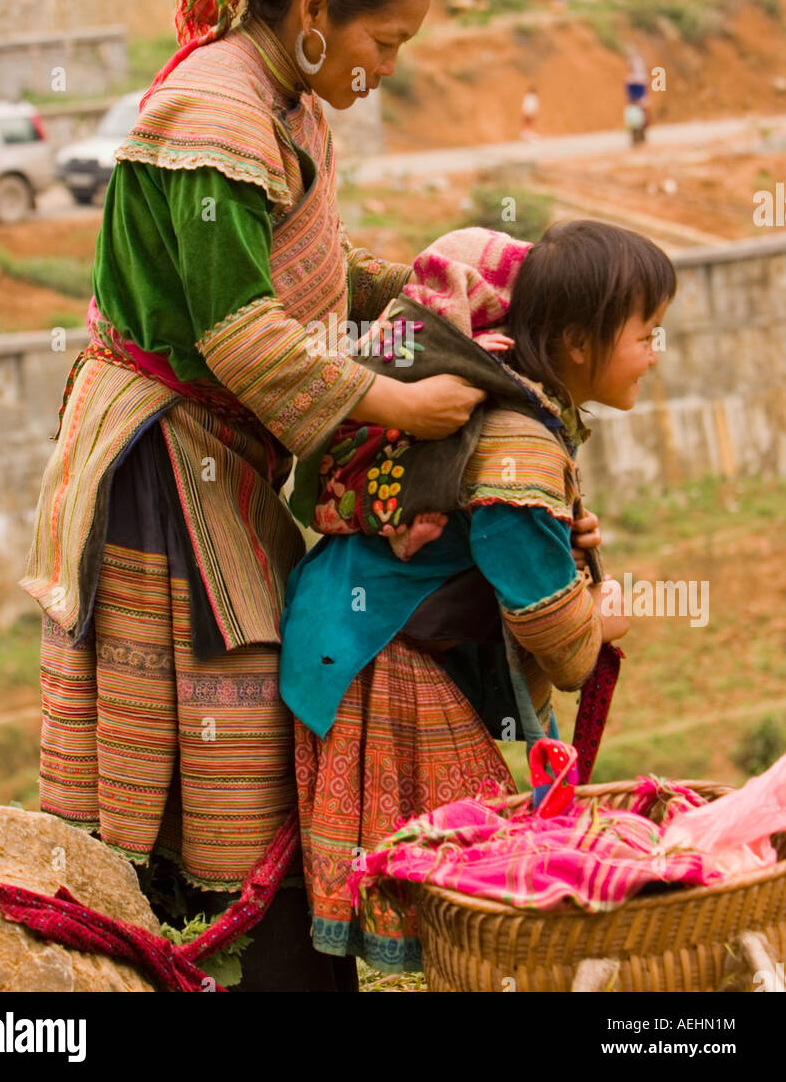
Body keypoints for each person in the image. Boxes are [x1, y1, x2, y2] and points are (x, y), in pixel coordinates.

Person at [20, 0, 487, 992]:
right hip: (160, 459)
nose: (389, 64)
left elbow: (300, 272)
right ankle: (190, 939)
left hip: (220, 454)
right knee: (213, 711)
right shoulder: (215, 116)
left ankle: (239, 942)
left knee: (233, 712)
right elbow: (236, 328)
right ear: (315, 8)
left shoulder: (287, 99)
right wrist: (395, 404)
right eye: (387, 36)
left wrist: (402, 285)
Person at [279, 219, 676, 970]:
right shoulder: (521, 443)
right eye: (646, 334)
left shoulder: (515, 413)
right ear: (576, 343)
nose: (656, 354)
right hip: (375, 659)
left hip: (349, 635)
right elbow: (560, 649)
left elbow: (507, 550)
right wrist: (600, 619)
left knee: (460, 880)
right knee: (478, 895)